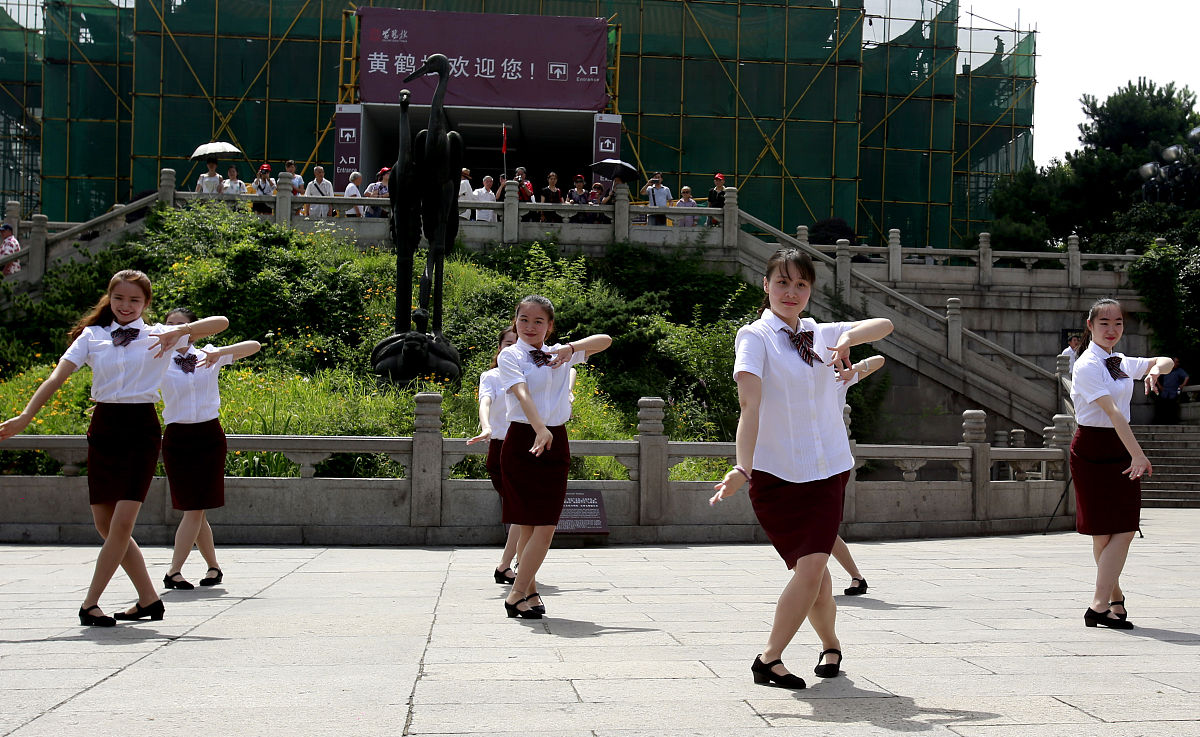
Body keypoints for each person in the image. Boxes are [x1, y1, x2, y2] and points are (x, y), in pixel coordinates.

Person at [0, 270, 228, 626]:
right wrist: (25, 416)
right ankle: (149, 599)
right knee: (106, 526)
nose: (126, 305)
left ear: (146, 303)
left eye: (135, 300)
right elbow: (57, 376)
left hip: (141, 429)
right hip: (104, 428)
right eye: (119, 298)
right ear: (110, 298)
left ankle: (90, 604)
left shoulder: (159, 334)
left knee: (122, 524)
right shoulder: (93, 336)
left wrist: (180, 330)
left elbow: (221, 323)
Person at [710, 247, 892, 688]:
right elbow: (749, 406)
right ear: (766, 284)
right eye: (782, 282)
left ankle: (772, 657)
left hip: (827, 469)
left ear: (810, 290)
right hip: (777, 474)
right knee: (815, 575)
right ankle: (826, 644)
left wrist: (848, 340)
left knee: (813, 570)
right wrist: (742, 468)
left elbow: (885, 325)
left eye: (801, 284)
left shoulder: (820, 333)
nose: (791, 292)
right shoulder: (754, 336)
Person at [498, 295, 611, 619]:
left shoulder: (559, 354)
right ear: (515, 321)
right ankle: (520, 593)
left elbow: (605, 340)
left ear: (550, 325)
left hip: (556, 439)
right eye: (523, 319)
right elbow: (521, 392)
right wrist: (539, 429)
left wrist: (571, 348)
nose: (530, 326)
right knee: (530, 524)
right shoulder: (510, 355)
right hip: (523, 439)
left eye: (538, 321)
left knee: (544, 524)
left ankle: (526, 590)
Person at [1069, 298, 1173, 630]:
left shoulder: (1120, 361)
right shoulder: (1087, 365)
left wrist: (1154, 369)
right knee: (1103, 534)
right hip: (1093, 448)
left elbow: (1167, 361)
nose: (1112, 329)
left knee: (1125, 527)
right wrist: (1138, 454)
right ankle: (1106, 602)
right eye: (1104, 323)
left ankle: (1105, 602)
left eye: (1118, 323)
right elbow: (1113, 413)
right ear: (1090, 326)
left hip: (1118, 444)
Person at [159, 308, 261, 590]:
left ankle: (176, 571)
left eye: (181, 325)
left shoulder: (208, 354)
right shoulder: (158, 357)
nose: (174, 329)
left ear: (195, 329)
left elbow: (254, 346)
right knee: (194, 508)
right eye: (169, 325)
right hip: (177, 437)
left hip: (208, 436)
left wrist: (219, 352)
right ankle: (209, 568)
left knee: (196, 507)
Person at [467, 326, 521, 585]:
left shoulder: (530, 374)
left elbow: (571, 370)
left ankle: (509, 565)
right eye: (507, 344)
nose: (512, 348)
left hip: (527, 446)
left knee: (523, 510)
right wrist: (486, 426)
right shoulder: (491, 376)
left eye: (517, 344)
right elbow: (485, 401)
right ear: (499, 348)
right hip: (500, 448)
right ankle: (511, 564)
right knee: (520, 510)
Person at [831, 354, 886, 596]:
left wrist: (852, 369)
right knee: (816, 527)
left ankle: (813, 580)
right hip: (803, 464)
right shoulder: (794, 384)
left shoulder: (837, 381)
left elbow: (879, 360)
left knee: (821, 526)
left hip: (834, 463)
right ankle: (856, 577)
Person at [1154, 358, 1189, 425]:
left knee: (1173, 408)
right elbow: (1156, 376)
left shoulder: (1179, 370)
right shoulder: (1166, 369)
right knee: (1164, 407)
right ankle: (1163, 421)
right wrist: (1159, 386)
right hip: (1165, 392)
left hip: (1174, 392)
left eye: (1178, 362)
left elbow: (1186, 377)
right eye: (1176, 362)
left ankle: (1173, 422)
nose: (1177, 364)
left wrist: (1182, 385)